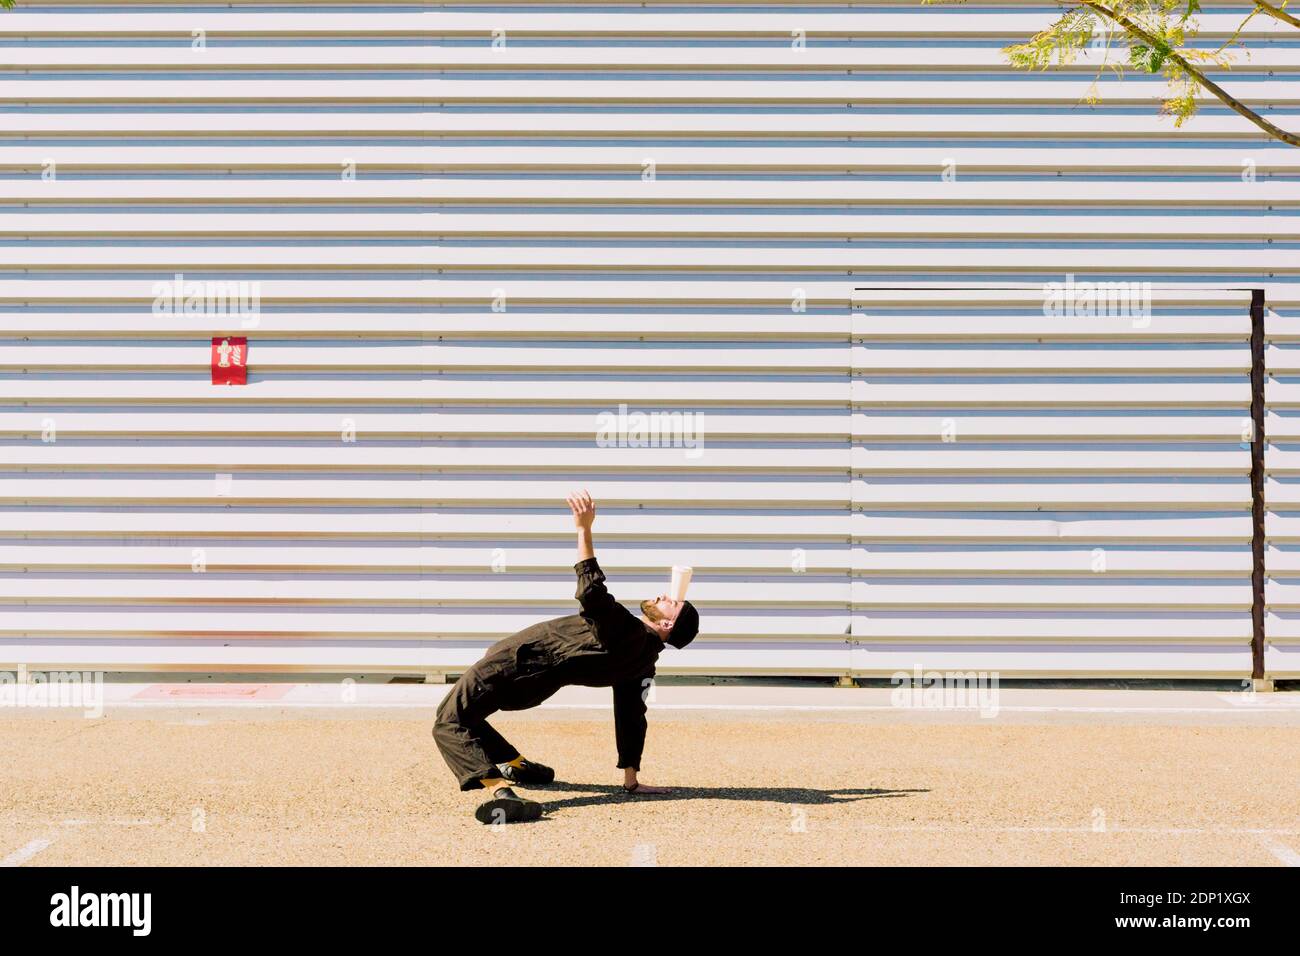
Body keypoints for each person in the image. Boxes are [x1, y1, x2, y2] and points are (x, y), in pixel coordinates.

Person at [433, 490, 700, 824]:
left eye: (669, 601)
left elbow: (591, 592)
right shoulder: (644, 661)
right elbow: (632, 717)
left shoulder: (628, 631)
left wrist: (582, 529)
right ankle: (519, 766)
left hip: (513, 667)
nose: (662, 594)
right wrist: (631, 781)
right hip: (532, 686)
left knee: (449, 721)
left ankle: (501, 791)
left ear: (666, 623)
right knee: (467, 717)